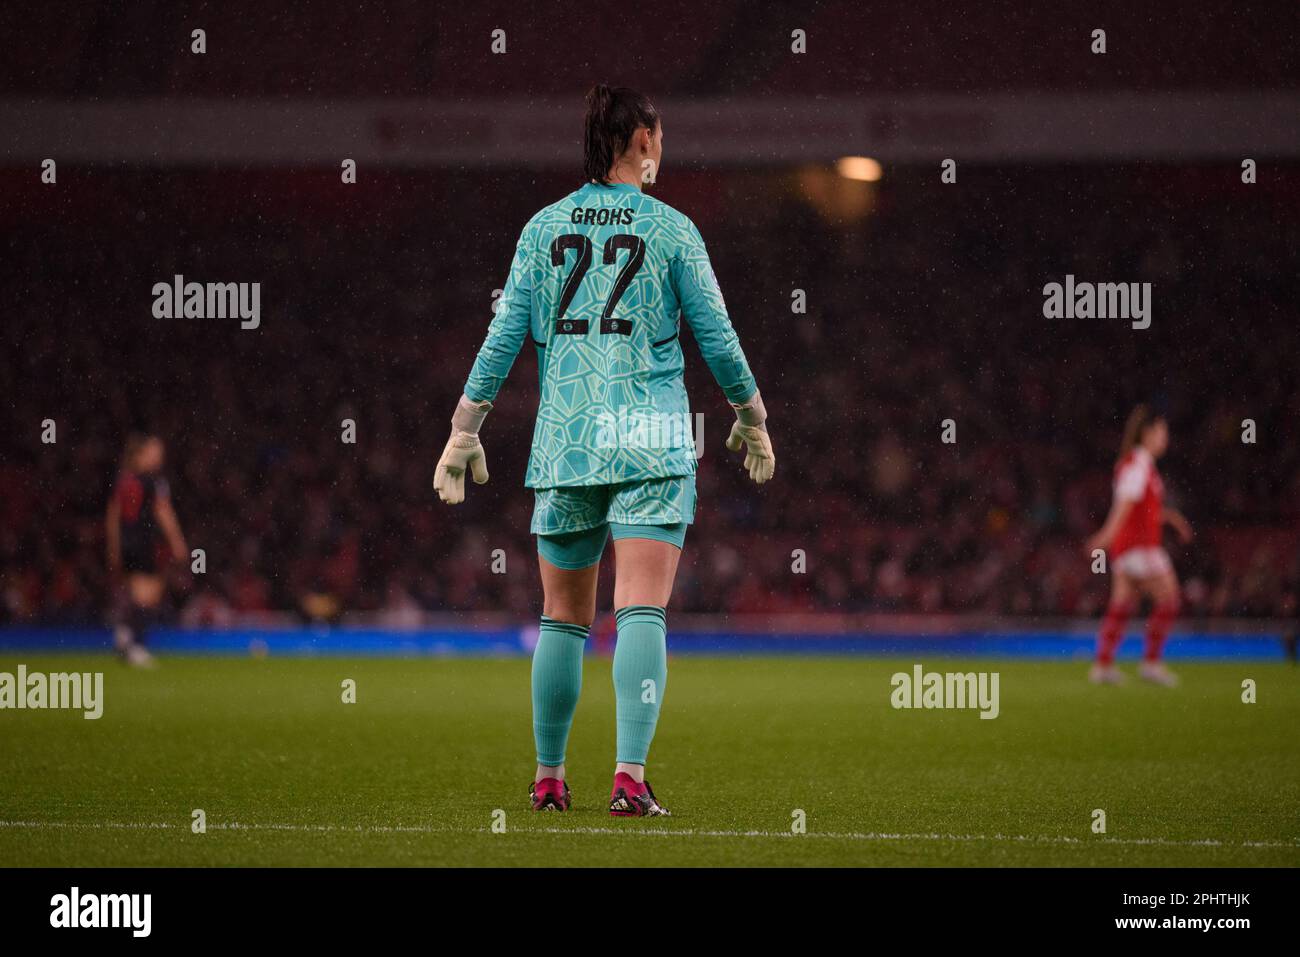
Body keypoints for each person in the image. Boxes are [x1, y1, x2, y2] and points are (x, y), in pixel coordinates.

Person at [434, 84, 773, 816]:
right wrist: (752, 414)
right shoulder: (674, 230)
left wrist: (465, 426)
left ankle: (549, 778)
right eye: (662, 135)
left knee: (562, 616)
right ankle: (628, 775)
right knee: (642, 608)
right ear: (644, 141)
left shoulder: (540, 228)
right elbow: (717, 336)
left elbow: (502, 338)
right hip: (648, 431)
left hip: (569, 433)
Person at [1086, 406, 1192, 686]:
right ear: (1147, 433)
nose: (1165, 437)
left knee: (1122, 604)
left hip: (1128, 548)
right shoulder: (1137, 465)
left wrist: (1170, 518)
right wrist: (1103, 537)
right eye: (1161, 431)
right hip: (1139, 548)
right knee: (1169, 599)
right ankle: (1151, 662)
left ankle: (1103, 665)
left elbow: (1140, 510)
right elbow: (1124, 507)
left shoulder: (1138, 464)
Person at [105, 434, 188, 667]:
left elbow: (112, 515)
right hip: (144, 542)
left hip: (127, 542)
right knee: (148, 594)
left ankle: (123, 634)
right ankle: (137, 646)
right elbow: (163, 511)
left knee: (134, 591)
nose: (159, 456)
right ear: (141, 454)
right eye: (154, 451)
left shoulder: (122, 479)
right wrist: (177, 542)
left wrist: (114, 546)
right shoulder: (153, 481)